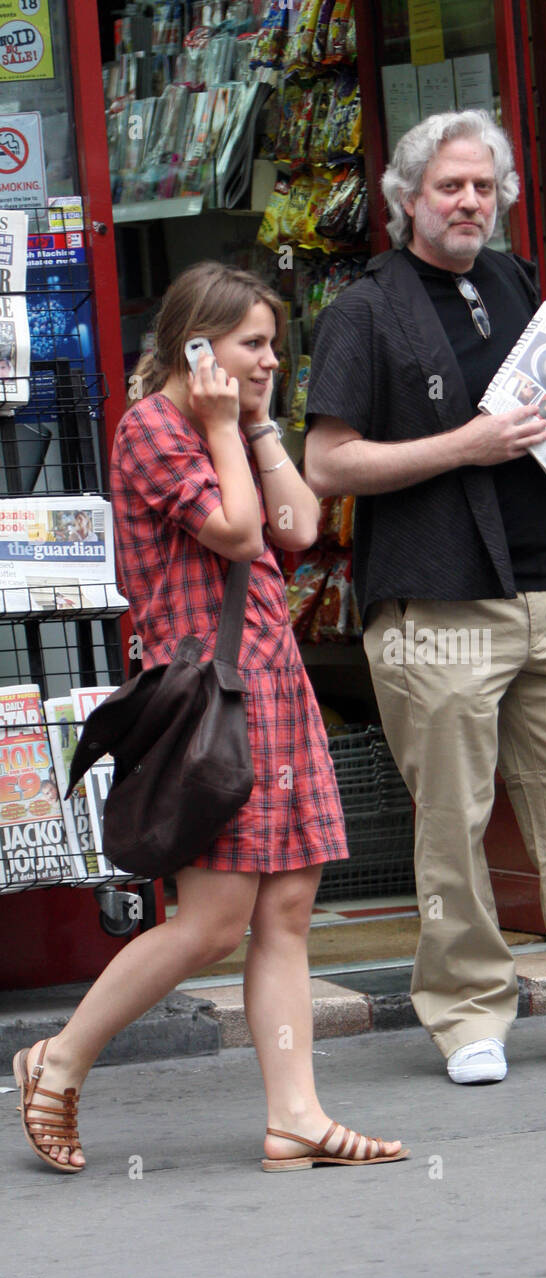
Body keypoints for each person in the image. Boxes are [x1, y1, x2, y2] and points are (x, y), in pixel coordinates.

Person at [305, 111, 546, 1084]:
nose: (471, 203)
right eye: (451, 187)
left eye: (484, 187)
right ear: (406, 200)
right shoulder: (363, 309)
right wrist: (463, 448)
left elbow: (537, 416)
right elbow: (325, 463)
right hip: (437, 602)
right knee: (452, 816)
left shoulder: (512, 282)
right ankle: (468, 1015)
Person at [13, 262, 408, 1172]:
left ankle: (296, 1117)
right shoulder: (154, 427)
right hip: (210, 700)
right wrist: (227, 425)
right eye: (252, 345)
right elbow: (237, 530)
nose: (270, 359)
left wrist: (258, 425)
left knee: (290, 912)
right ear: (197, 349)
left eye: (274, 343)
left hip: (271, 688)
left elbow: (300, 526)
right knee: (213, 922)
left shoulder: (232, 424)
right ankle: (60, 1061)